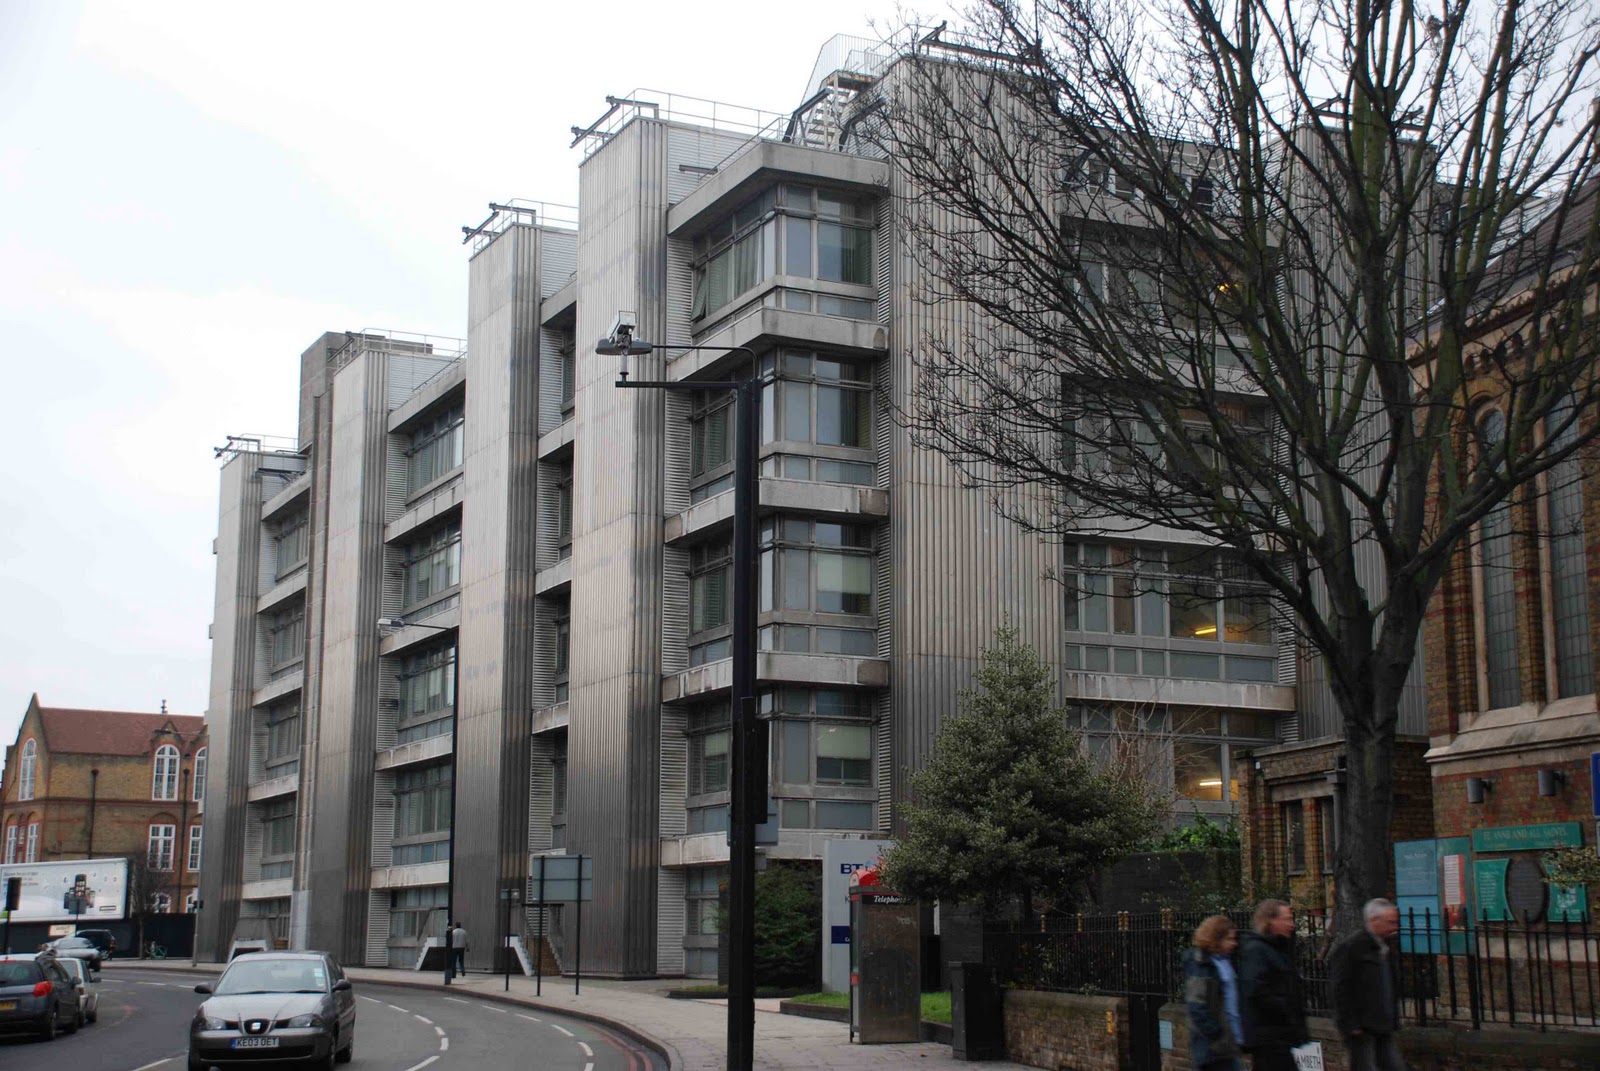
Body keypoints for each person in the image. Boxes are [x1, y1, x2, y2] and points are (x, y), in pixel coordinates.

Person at [1328, 898, 1405, 1071]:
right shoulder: (1352, 947)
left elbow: (1390, 985)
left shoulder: (1385, 947)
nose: (1395, 927)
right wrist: (1350, 1023)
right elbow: (1339, 987)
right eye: (1390, 922)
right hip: (1361, 1028)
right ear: (1374, 921)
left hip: (1383, 1025)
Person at [1237, 899, 1309, 1071]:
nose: (1291, 924)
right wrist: (1284, 1007)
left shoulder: (1278, 949)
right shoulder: (1257, 950)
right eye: (1286, 919)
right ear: (1271, 921)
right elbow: (1256, 990)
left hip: (1279, 1035)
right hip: (1268, 1037)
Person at [1184, 914, 1243, 1071]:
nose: (1234, 943)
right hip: (1212, 1049)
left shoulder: (1225, 962)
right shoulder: (1202, 965)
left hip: (1227, 1045)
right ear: (1216, 939)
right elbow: (1196, 1007)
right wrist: (1217, 1036)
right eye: (1229, 939)